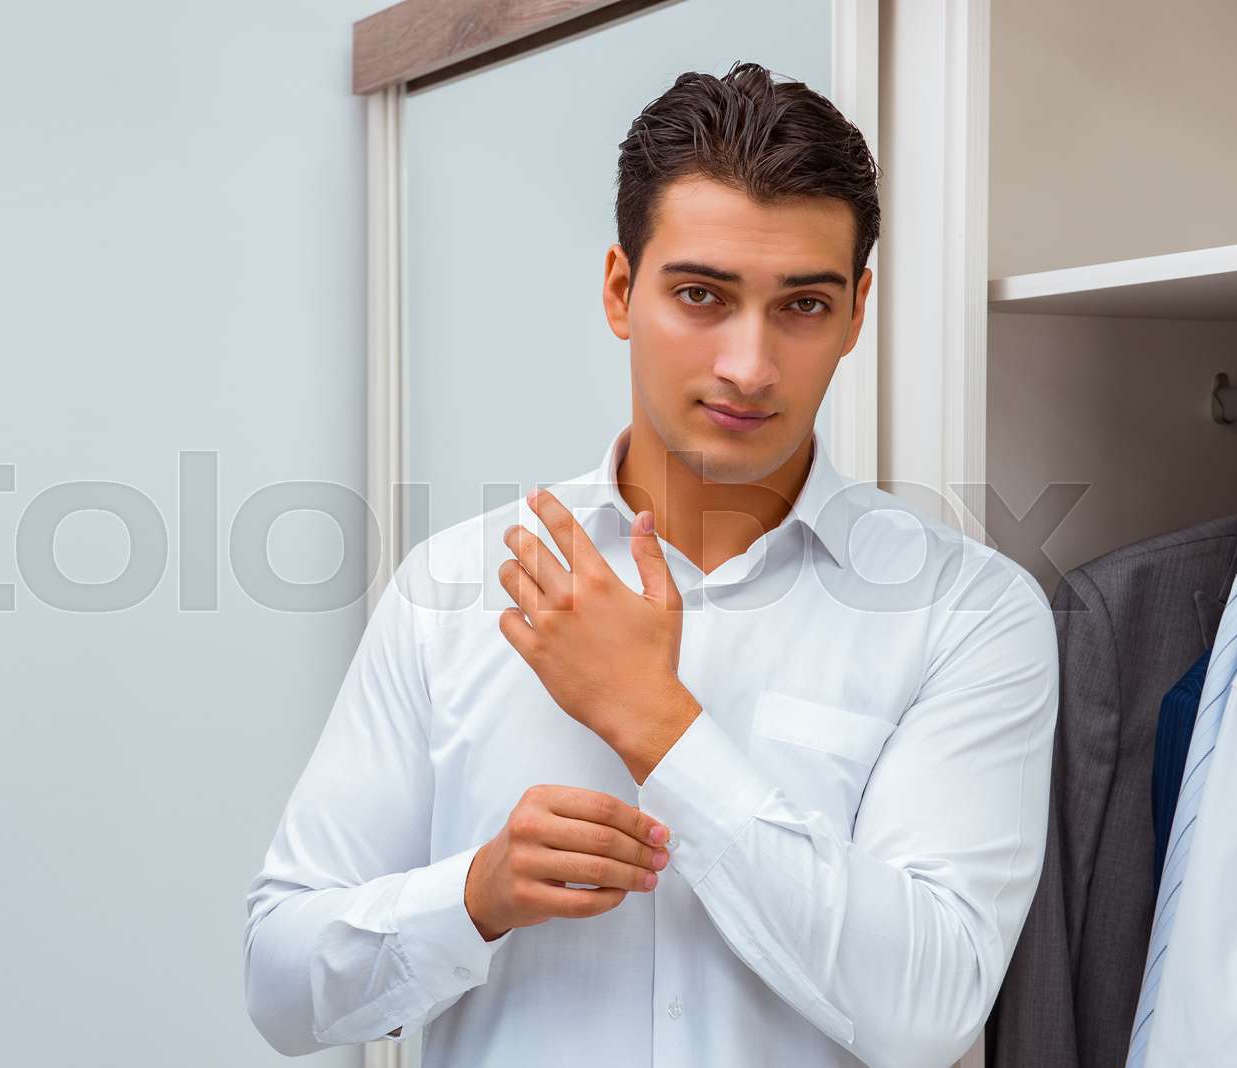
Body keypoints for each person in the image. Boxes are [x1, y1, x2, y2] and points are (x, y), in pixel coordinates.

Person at [245, 60, 1058, 1068]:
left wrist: (656, 726)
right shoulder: (450, 589)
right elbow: (281, 988)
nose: (748, 366)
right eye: (702, 295)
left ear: (856, 312)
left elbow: (930, 1013)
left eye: (802, 305)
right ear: (621, 291)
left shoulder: (968, 613)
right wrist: (473, 896)